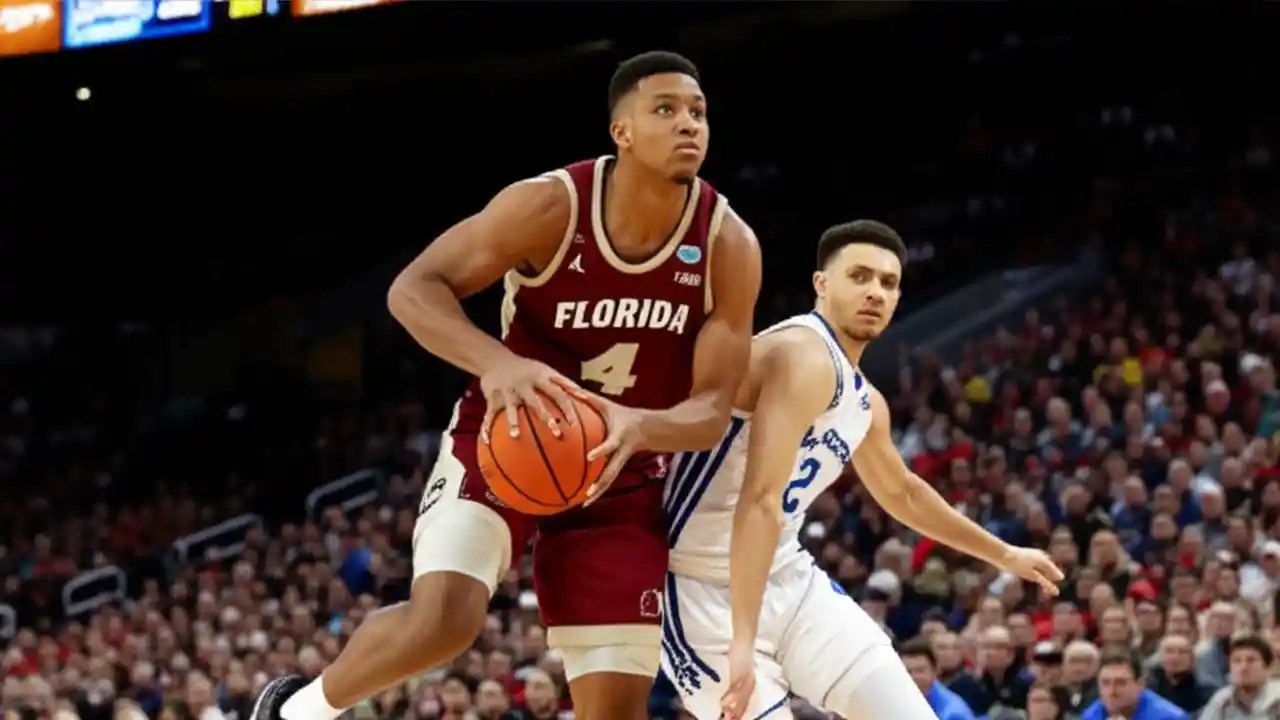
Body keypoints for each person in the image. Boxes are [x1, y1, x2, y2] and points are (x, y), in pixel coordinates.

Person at [252, 50, 762, 720]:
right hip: (506, 441)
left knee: (616, 709)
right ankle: (297, 711)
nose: (688, 123)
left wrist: (640, 426)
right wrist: (497, 363)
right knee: (446, 620)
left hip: (622, 475)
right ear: (623, 132)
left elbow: (710, 410)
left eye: (697, 111)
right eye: (665, 109)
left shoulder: (728, 244)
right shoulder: (549, 205)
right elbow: (414, 290)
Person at [660, 220, 1064, 720]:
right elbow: (760, 498)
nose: (875, 292)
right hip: (701, 594)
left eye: (888, 283)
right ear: (821, 284)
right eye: (860, 276)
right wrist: (742, 642)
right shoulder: (801, 353)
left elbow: (903, 493)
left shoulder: (864, 401)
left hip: (787, 576)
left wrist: (1004, 553)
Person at [1081, 649, 1187, 720]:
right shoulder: (1091, 716)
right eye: (1105, 683)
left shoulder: (1170, 717)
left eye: (1121, 683)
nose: (1112, 691)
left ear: (1140, 684)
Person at [900, 638, 977, 720]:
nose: (913, 677)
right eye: (907, 671)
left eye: (920, 671)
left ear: (935, 671)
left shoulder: (953, 714)